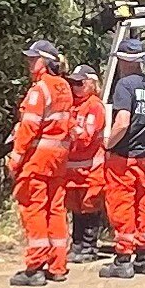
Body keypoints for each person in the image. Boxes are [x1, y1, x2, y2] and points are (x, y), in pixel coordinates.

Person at [6, 42, 77, 285]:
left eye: (33, 59)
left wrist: (16, 156)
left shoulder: (40, 90)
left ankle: (35, 267)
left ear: (44, 62)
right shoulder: (65, 88)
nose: (29, 63)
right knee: (55, 210)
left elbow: (29, 126)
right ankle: (57, 265)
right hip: (58, 160)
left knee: (34, 208)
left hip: (37, 159)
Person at [98, 40, 145, 276]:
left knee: (121, 202)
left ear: (126, 61)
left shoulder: (124, 86)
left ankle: (123, 259)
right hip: (144, 155)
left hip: (123, 157)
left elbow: (122, 122)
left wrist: (107, 145)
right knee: (144, 200)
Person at [61, 59, 109, 261]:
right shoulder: (72, 105)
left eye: (80, 83)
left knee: (90, 207)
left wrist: (68, 125)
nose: (76, 87)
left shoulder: (94, 106)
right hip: (73, 171)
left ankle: (89, 247)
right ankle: (77, 245)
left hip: (91, 170)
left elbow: (85, 138)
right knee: (75, 209)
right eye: (73, 83)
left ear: (92, 83)